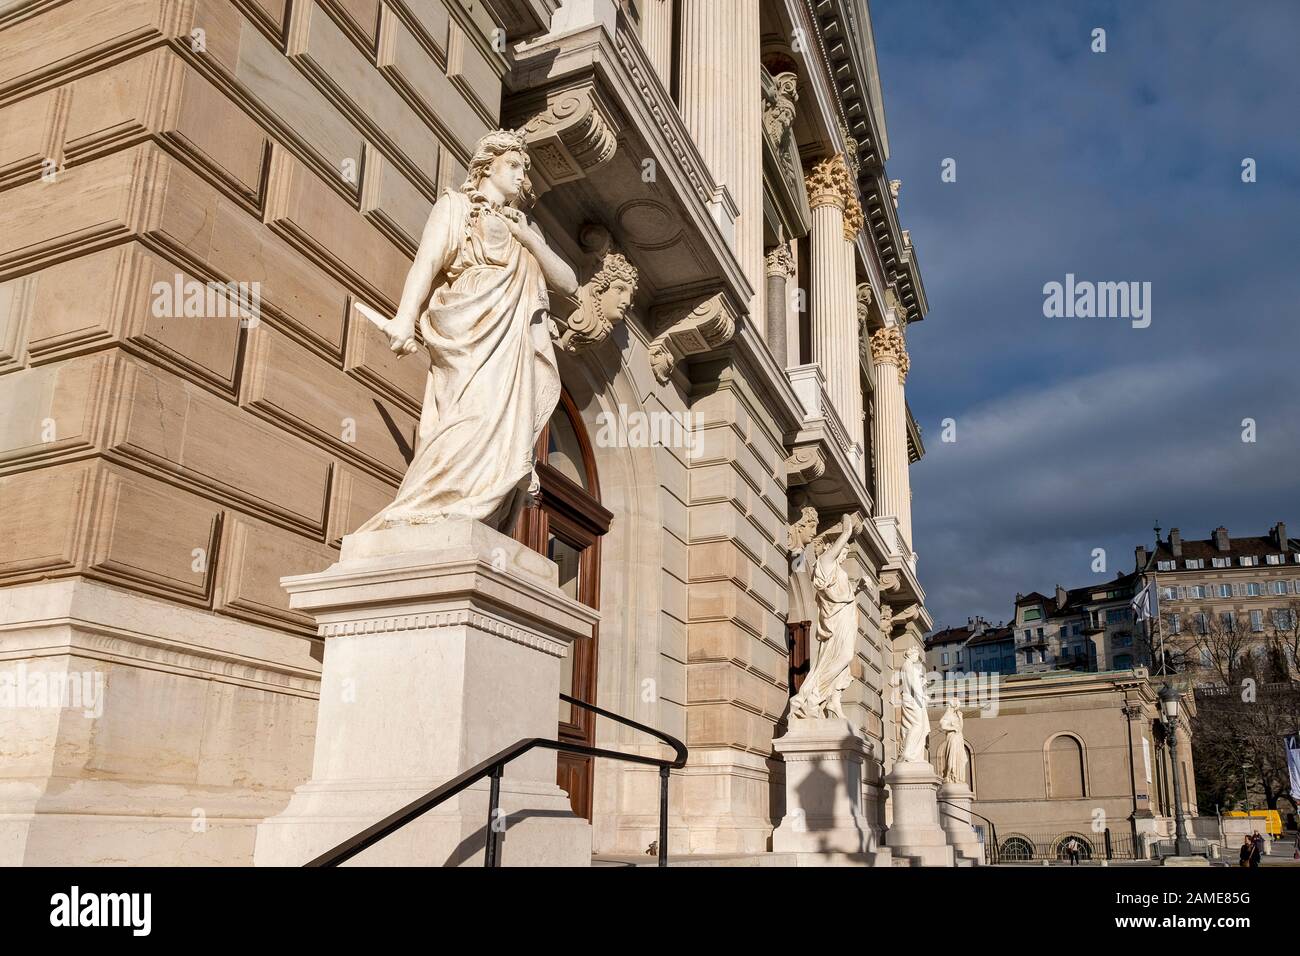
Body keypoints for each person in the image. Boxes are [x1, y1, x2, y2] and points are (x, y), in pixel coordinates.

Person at [357, 129, 578, 534]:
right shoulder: (456, 207)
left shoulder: (525, 229)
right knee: (467, 417)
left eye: (524, 169)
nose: (520, 176)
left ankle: (480, 512)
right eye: (513, 165)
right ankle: (436, 502)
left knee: (504, 425)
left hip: (511, 341)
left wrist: (527, 236)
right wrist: (405, 318)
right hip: (469, 327)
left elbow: (568, 283)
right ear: (487, 165)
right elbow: (426, 263)